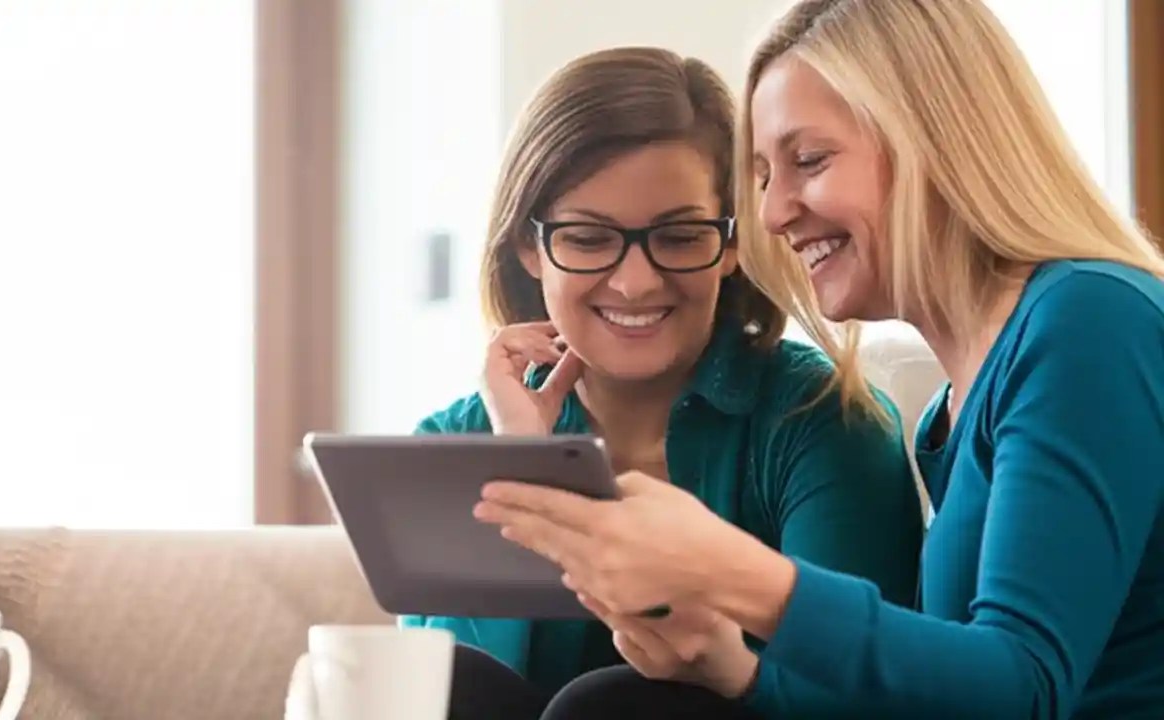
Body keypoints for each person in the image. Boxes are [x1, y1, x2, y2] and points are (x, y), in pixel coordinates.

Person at [473, 1, 1164, 718]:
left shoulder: (1090, 317)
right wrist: (735, 671)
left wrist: (736, 573)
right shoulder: (956, 404)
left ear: (934, 139)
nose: (770, 214)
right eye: (765, 175)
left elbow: (1024, 687)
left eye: (809, 161)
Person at [401, 46, 926, 720]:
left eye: (679, 236)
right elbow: (448, 700)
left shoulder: (824, 423)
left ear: (734, 241)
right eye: (588, 239)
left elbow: (858, 698)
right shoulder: (455, 444)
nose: (636, 281)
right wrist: (523, 466)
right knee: (447, 680)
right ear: (529, 248)